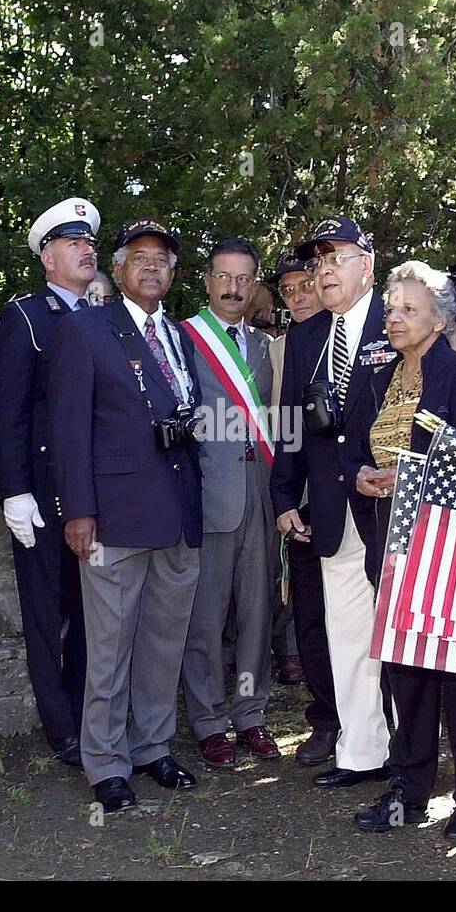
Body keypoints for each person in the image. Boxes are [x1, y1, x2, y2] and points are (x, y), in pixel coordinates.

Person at [50, 218, 203, 813]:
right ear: (116, 270)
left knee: (164, 643)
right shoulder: (84, 331)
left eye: (162, 260)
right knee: (109, 647)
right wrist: (77, 511)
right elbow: (68, 429)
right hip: (112, 516)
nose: (151, 267)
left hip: (177, 514)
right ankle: (106, 763)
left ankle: (152, 746)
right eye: (139, 257)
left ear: (173, 274)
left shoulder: (180, 337)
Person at [344, 261, 456, 840]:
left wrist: (408, 478)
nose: (395, 318)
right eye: (390, 309)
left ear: (440, 316)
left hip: (448, 542)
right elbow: (358, 446)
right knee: (403, 670)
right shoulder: (378, 374)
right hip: (390, 539)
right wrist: (362, 472)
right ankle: (409, 790)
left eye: (408, 308)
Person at [271, 216, 392, 788]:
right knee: (344, 631)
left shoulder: (400, 321)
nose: (323, 271)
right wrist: (283, 494)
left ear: (366, 265)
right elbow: (293, 425)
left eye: (336, 258)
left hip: (392, 506)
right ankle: (362, 751)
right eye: (317, 262)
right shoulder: (305, 337)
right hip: (328, 509)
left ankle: (410, 755)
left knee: (399, 632)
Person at [0, 196, 99, 769]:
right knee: (44, 612)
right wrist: (14, 491)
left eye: (89, 242)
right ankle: (62, 729)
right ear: (47, 257)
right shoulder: (26, 318)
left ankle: (88, 715)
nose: (87, 250)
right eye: (73, 243)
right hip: (42, 496)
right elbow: (5, 413)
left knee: (88, 614)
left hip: (91, 497)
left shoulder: (103, 318)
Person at [179, 237, 281, 767]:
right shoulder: (184, 339)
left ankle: (252, 712)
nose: (234, 287)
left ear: (255, 284)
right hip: (210, 494)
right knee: (207, 614)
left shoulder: (264, 347)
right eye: (224, 276)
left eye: (244, 278)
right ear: (208, 280)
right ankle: (208, 719)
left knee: (257, 612)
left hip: (259, 492)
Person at [268, 254, 339, 758]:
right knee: (311, 618)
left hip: (360, 500)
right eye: (286, 288)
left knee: (360, 619)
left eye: (304, 284)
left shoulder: (369, 327)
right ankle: (326, 719)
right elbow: (288, 427)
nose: (295, 296)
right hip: (309, 505)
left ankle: (378, 719)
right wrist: (286, 497)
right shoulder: (290, 346)